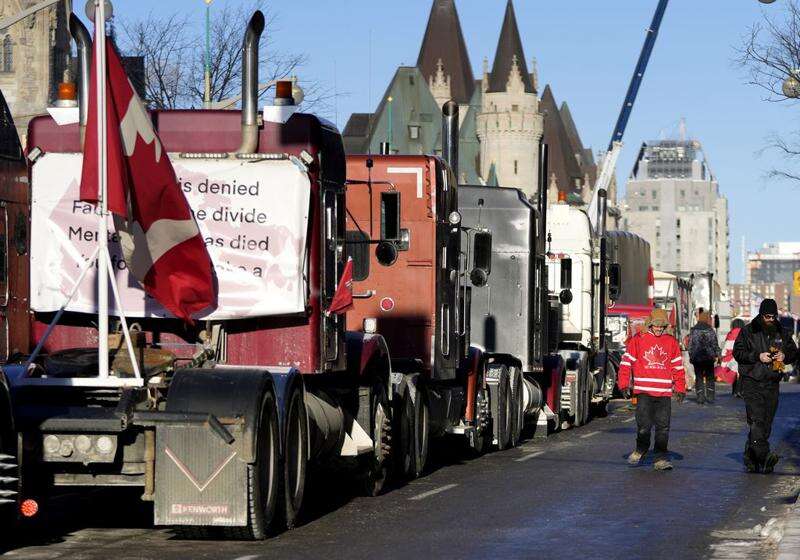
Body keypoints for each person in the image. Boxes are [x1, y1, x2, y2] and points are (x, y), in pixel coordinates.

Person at [733, 299, 798, 474]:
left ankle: (751, 459)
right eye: (767, 316)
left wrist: (785, 356)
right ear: (761, 315)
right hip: (752, 381)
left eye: (773, 316)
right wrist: (757, 356)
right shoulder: (748, 331)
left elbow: (794, 352)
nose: (770, 319)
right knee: (756, 421)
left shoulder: (782, 331)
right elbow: (737, 353)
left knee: (766, 424)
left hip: (772, 383)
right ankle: (765, 456)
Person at [618, 308, 687, 471]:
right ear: (649, 324)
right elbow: (626, 363)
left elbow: (677, 367)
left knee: (663, 427)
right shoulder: (638, 340)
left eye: (662, 327)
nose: (658, 329)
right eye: (656, 326)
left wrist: (680, 388)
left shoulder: (671, 342)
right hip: (644, 392)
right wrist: (623, 383)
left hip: (663, 393)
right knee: (644, 426)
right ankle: (641, 449)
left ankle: (660, 458)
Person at [688, 311, 721, 404]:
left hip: (697, 358)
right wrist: (718, 355)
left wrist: (691, 356)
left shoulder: (693, 330)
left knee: (699, 378)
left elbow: (690, 345)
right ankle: (710, 397)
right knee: (710, 378)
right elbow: (715, 344)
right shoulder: (710, 330)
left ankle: (700, 398)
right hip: (709, 358)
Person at [719, 318, 746, 397]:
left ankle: (734, 391)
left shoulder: (730, 334)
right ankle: (741, 391)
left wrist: (723, 355)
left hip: (731, 358)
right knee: (741, 374)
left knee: (734, 373)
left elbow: (726, 347)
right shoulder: (745, 334)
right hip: (742, 357)